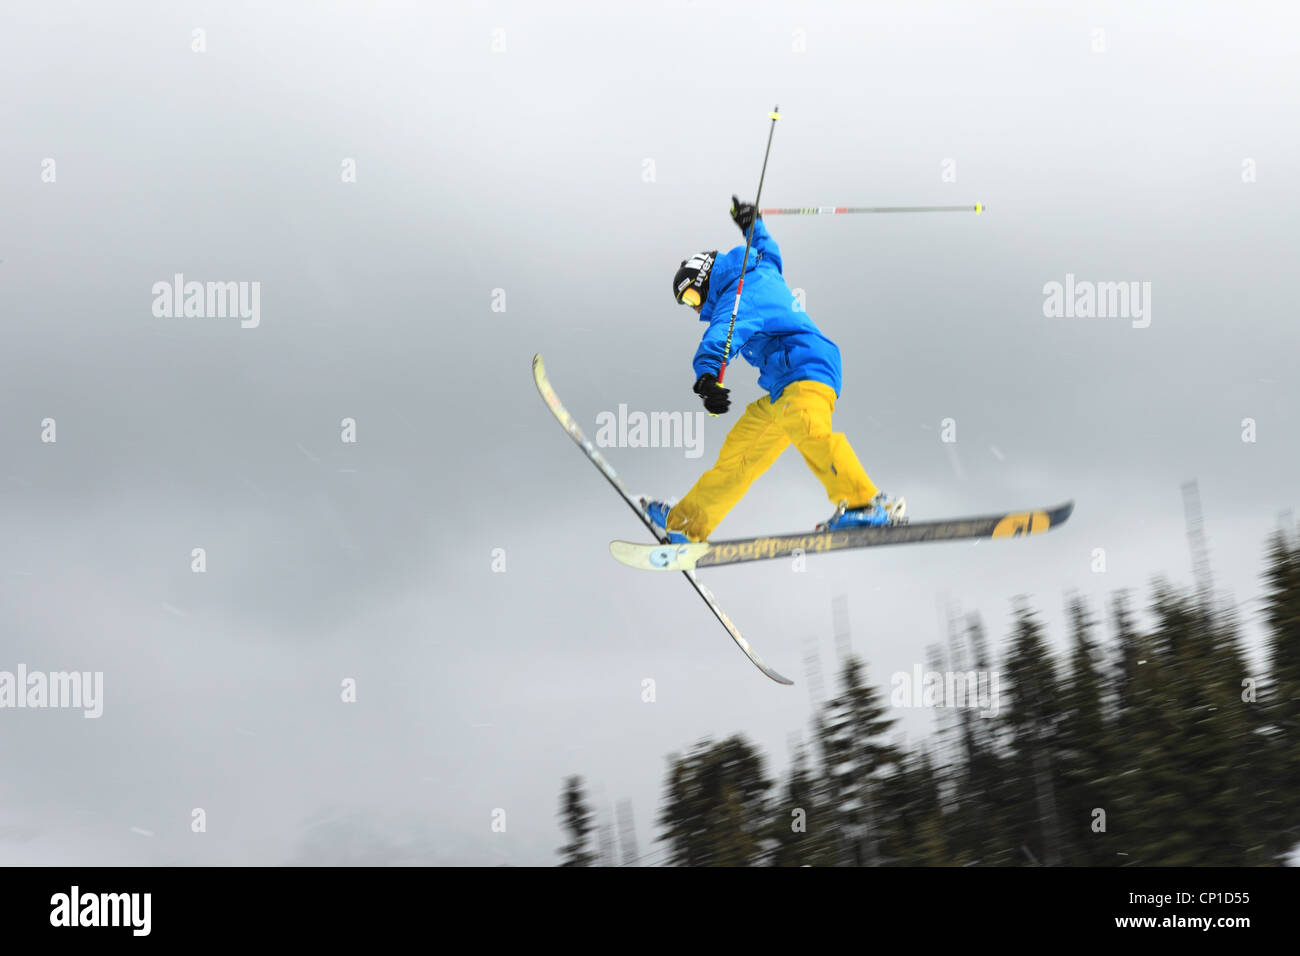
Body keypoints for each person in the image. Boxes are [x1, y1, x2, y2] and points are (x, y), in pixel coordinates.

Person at [643, 197, 905, 544]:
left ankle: (867, 505)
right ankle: (687, 523)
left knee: (810, 432)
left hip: (805, 369)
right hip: (785, 386)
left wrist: (707, 374)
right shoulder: (759, 268)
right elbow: (767, 250)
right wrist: (753, 224)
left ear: (704, 277)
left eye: (691, 297)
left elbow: (725, 330)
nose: (694, 308)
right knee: (740, 455)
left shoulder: (739, 293)